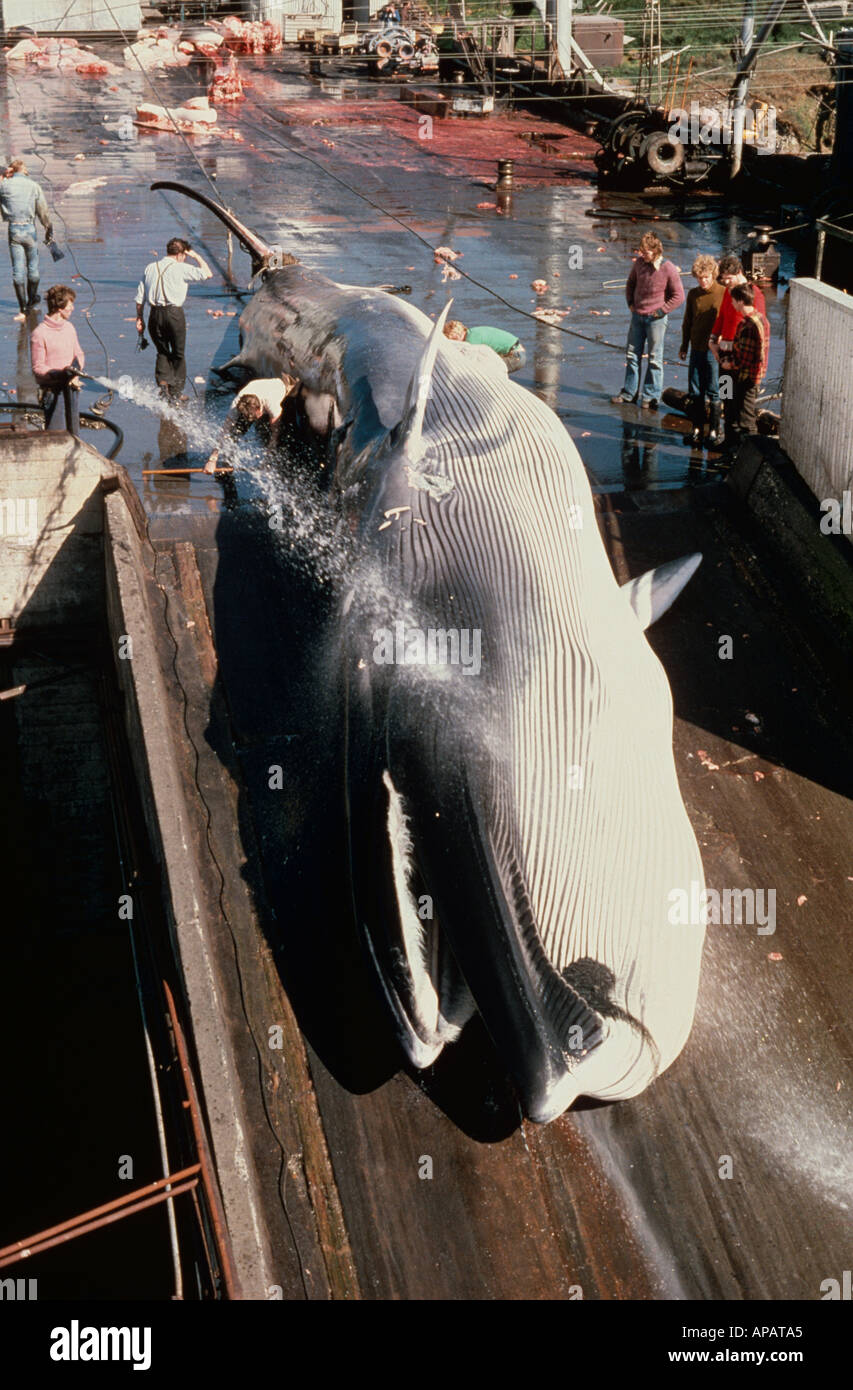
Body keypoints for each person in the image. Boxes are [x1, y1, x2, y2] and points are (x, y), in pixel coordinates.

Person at [611, 231, 684, 411]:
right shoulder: (639, 264)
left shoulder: (668, 268)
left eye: (646, 252)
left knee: (654, 359)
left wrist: (662, 311)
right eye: (641, 251)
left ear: (656, 250)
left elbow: (679, 296)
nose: (642, 254)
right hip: (638, 316)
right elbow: (630, 283)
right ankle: (629, 392)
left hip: (656, 320)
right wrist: (630, 303)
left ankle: (651, 396)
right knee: (632, 355)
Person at [135, 237, 212, 402]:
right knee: (178, 353)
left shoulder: (150, 267)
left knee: (162, 351)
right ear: (181, 254)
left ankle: (163, 386)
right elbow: (207, 273)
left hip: (154, 314)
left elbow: (139, 298)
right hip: (174, 314)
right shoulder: (181, 267)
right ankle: (176, 392)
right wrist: (196, 257)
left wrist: (139, 318)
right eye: (184, 255)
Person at [204, 374, 297, 472]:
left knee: (280, 434)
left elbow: (275, 433)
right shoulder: (236, 405)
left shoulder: (272, 403)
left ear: (259, 409)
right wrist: (212, 460)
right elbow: (224, 431)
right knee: (235, 432)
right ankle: (228, 459)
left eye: (256, 416)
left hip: (282, 387)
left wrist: (267, 459)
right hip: (257, 392)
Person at [678, 254, 725, 448]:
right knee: (695, 390)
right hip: (696, 347)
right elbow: (687, 321)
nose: (703, 281)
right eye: (699, 278)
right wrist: (684, 345)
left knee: (715, 389)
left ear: (713, 275)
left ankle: (714, 430)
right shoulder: (693, 294)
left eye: (706, 277)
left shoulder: (723, 292)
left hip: (714, 350)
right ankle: (696, 428)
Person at [0, 158, 54, 320]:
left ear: (11, 172)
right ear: (24, 171)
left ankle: (22, 308)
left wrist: (3, 176)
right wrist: (48, 227)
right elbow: (42, 210)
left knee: (17, 269)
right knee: (33, 267)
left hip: (14, 229)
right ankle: (32, 301)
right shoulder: (33, 186)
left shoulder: (4, 186)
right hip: (29, 228)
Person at [720, 283, 769, 454]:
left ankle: (743, 456)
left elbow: (745, 359)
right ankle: (730, 446)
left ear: (740, 301)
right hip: (740, 372)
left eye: (734, 301)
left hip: (740, 374)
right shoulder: (760, 319)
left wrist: (728, 363)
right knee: (729, 405)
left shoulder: (747, 325)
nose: (732, 304)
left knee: (744, 418)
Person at [30, 284, 85, 435]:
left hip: (71, 389)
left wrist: (76, 369)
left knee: (74, 436)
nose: (73, 308)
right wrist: (59, 373)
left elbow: (79, 353)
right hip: (53, 393)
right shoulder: (39, 334)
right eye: (70, 304)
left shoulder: (69, 328)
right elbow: (38, 368)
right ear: (60, 308)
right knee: (57, 437)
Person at [708, 255, 766, 369]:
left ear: (739, 272)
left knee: (739, 386)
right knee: (725, 386)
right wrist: (712, 340)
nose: (726, 282)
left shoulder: (755, 293)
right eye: (724, 279)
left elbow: (761, 326)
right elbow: (722, 317)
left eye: (729, 278)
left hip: (743, 352)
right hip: (725, 350)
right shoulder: (728, 291)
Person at [443, 319, 526, 373]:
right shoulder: (473, 332)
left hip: (516, 357)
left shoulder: (471, 340)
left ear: (456, 336)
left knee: (486, 371)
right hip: (517, 352)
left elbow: (468, 360)